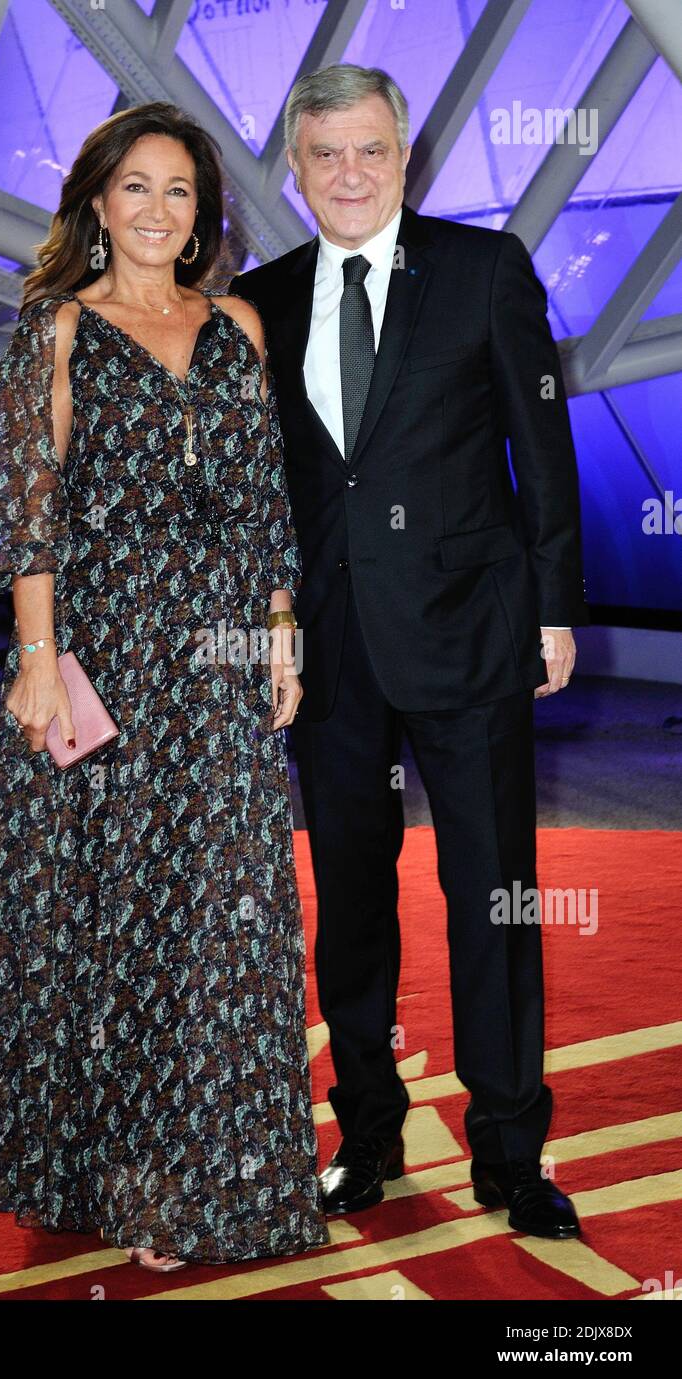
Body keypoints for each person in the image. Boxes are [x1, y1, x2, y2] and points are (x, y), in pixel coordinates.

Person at [0, 101, 330, 1272]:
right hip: (101, 664)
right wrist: (35, 666)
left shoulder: (239, 328)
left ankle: (220, 1172)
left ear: (199, 213)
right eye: (136, 188)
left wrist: (277, 631)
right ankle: (128, 1181)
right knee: (112, 928)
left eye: (179, 192)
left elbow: (265, 499)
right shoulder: (58, 330)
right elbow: (25, 510)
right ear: (97, 204)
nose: (159, 211)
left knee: (221, 922)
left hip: (216, 668)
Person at [229, 65, 590, 1240]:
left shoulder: (483, 271)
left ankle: (507, 1147)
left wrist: (551, 610)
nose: (347, 175)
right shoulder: (259, 299)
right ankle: (366, 1135)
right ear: (294, 168)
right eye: (323, 154)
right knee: (349, 906)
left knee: (492, 897)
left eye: (369, 151)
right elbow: (263, 490)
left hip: (472, 638)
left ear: (404, 156)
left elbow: (542, 448)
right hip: (330, 655)